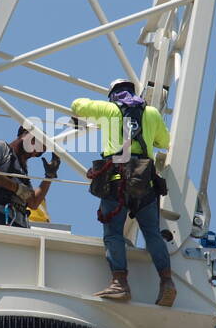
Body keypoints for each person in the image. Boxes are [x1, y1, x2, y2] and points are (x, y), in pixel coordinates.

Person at [70, 79, 175, 306]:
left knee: (114, 233)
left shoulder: (109, 109)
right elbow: (164, 141)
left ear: (113, 95)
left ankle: (120, 283)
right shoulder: (151, 113)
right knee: (152, 233)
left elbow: (77, 104)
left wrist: (79, 116)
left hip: (116, 182)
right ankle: (167, 281)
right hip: (143, 181)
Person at [0, 125, 59, 228]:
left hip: (19, 224)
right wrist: (16, 188)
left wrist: (49, 176)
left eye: (40, 153)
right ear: (25, 134)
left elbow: (33, 203)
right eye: (37, 144)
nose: (36, 152)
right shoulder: (2, 147)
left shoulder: (23, 173)